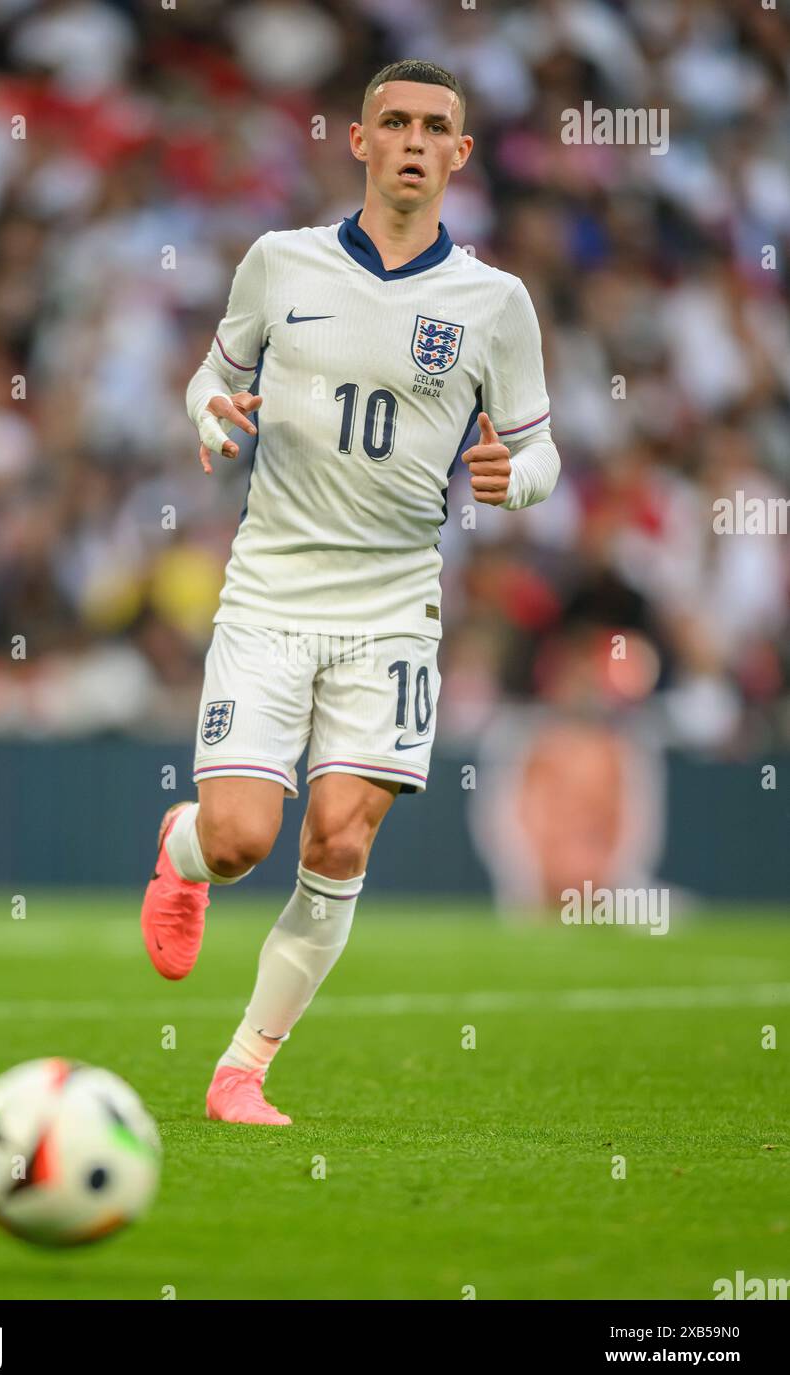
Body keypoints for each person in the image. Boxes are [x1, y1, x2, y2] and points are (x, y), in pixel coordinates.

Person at [141, 59, 560, 1124]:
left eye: (436, 128)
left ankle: (241, 1070)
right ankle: (182, 852)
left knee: (338, 837)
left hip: (392, 611)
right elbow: (210, 373)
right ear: (360, 141)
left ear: (461, 156)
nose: (414, 141)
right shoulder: (278, 264)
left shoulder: (494, 303)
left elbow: (542, 447)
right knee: (242, 839)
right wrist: (206, 412)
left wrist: (521, 481)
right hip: (272, 590)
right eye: (395, 122)